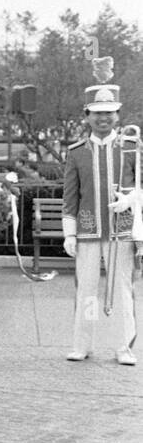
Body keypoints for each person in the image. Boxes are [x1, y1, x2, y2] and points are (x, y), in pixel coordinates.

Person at [62, 80, 138, 365]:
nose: (104, 118)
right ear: (87, 115)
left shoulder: (131, 147)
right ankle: (83, 344)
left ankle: (123, 347)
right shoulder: (77, 151)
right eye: (97, 113)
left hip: (123, 229)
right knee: (88, 290)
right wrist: (69, 234)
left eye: (109, 113)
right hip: (87, 228)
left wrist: (130, 200)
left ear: (117, 114)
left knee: (122, 289)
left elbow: (140, 186)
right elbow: (70, 196)